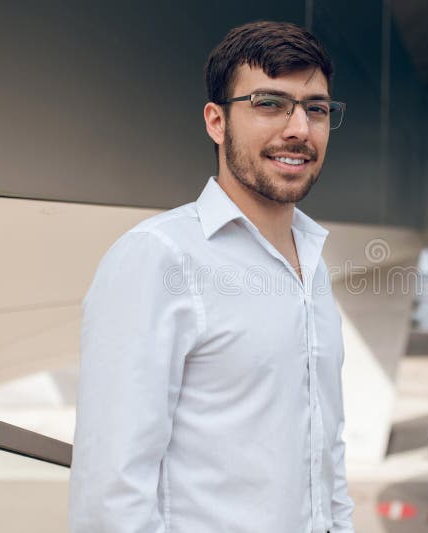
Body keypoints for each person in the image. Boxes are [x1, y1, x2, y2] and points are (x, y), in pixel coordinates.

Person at [69, 20, 353, 533]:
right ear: (216, 122)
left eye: (315, 109)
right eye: (269, 103)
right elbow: (110, 496)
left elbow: (327, 452)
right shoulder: (157, 260)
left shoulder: (313, 264)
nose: (299, 128)